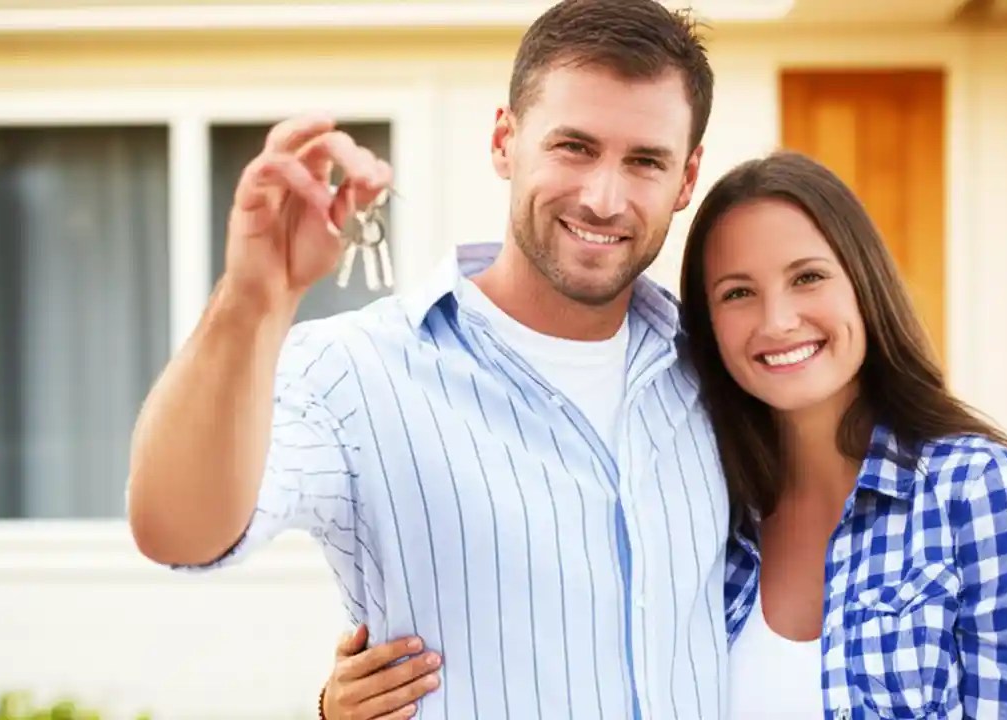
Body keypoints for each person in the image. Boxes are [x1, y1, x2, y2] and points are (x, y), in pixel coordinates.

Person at [125, 1, 729, 719]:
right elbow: (177, 533)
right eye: (573, 147)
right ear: (505, 141)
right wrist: (254, 299)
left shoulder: (720, 375)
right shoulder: (356, 372)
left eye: (644, 161)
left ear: (687, 178)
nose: (603, 197)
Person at [324, 152, 1007, 719]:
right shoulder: (701, 497)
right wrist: (347, 704)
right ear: (708, 325)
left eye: (809, 277)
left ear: (864, 284)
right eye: (738, 293)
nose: (778, 320)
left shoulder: (977, 489)